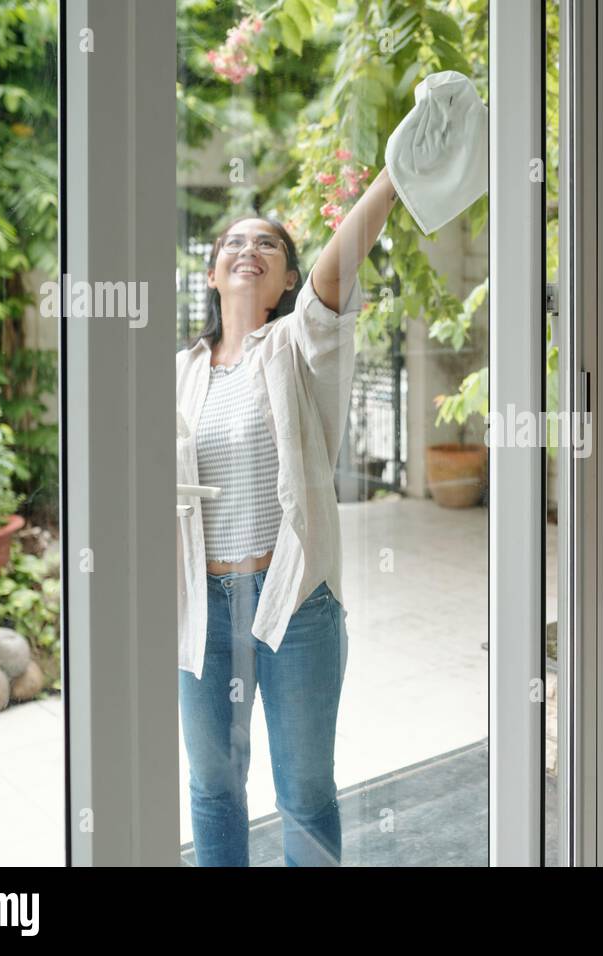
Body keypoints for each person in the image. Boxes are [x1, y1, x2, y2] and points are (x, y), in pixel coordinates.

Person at [174, 169, 398, 866]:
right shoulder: (177, 371)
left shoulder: (302, 347)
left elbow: (341, 263)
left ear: (288, 278)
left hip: (293, 602)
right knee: (213, 788)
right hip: (199, 610)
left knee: (302, 792)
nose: (248, 249)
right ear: (212, 274)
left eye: (267, 244)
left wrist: (394, 173)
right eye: (233, 242)